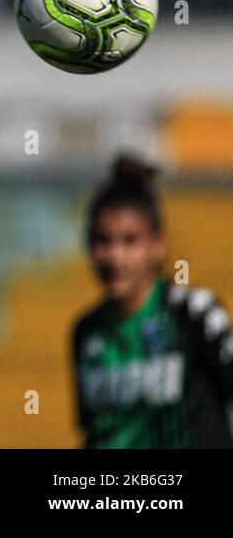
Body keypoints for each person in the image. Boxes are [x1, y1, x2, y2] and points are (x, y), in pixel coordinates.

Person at [73, 155, 233, 448]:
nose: (114, 257)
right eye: (103, 241)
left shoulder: (193, 314)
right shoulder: (85, 332)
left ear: (158, 245)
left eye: (130, 241)